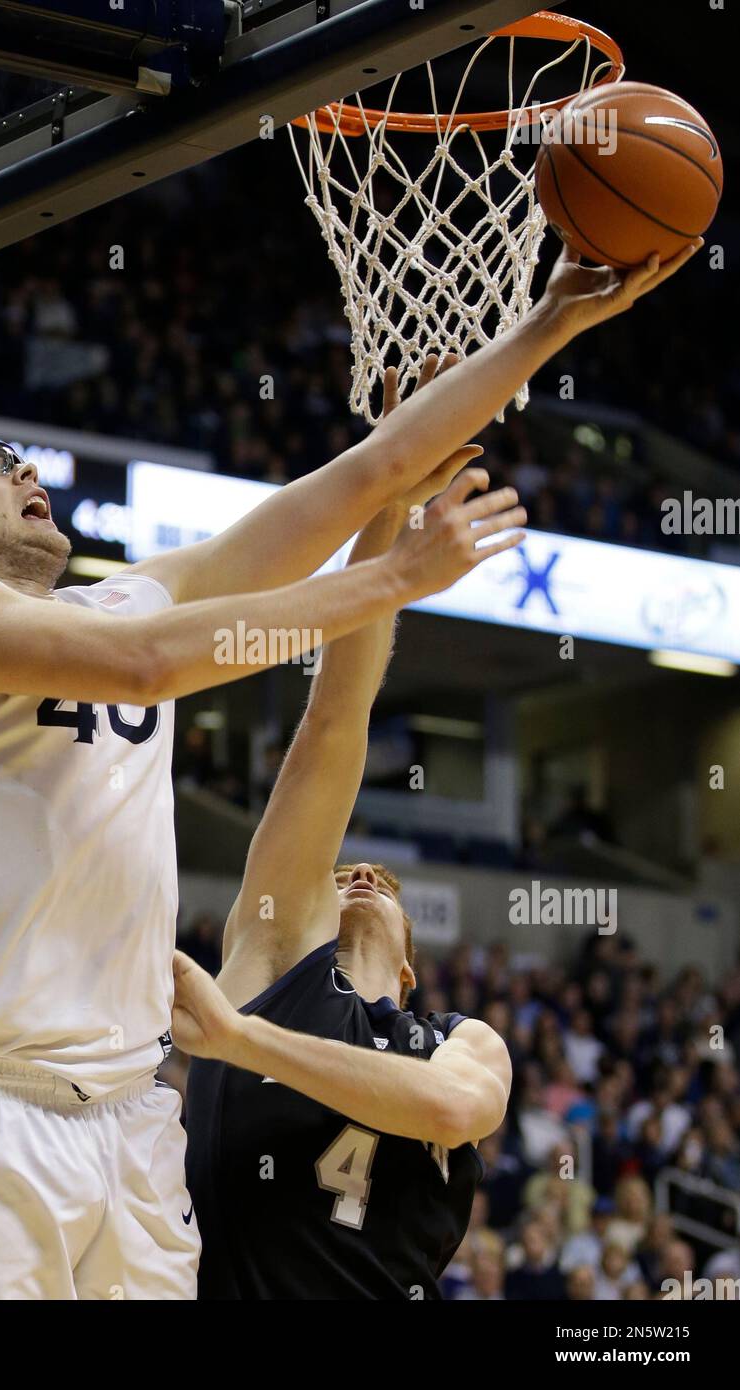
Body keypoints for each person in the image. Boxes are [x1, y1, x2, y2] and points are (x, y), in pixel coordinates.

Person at [0, 242, 697, 1301]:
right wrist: (391, 574)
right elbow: (151, 668)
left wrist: (553, 323)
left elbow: (368, 476)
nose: (26, 470)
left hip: (129, 1113)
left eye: (24, 455)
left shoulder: (121, 597)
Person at [174, 359, 520, 1297]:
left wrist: (241, 1044)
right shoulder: (274, 952)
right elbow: (336, 718)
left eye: (387, 889)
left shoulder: (462, 1039)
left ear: (410, 965)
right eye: (346, 875)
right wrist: (389, 493)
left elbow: (450, 1108)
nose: (360, 875)